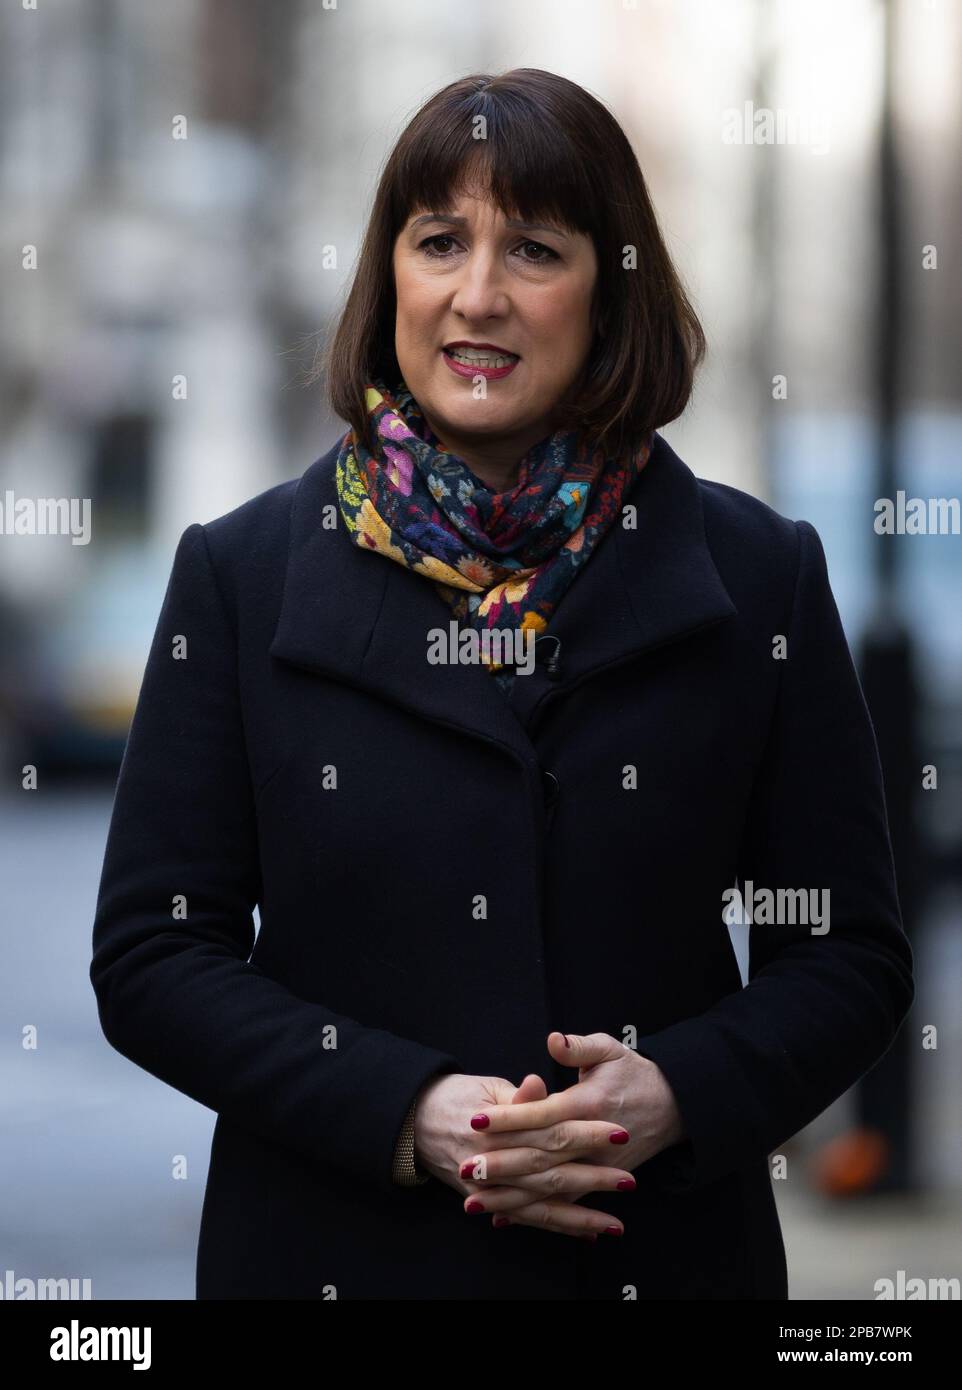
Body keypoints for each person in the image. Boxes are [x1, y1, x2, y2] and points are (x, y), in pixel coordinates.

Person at [90, 68, 914, 1300]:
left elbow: (843, 953)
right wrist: (405, 1107)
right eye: (439, 242)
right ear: (391, 279)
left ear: (610, 289)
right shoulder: (242, 574)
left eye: (532, 247)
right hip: (331, 1262)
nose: (477, 295)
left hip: (658, 1262)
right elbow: (154, 957)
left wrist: (678, 1090)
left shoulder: (758, 579)